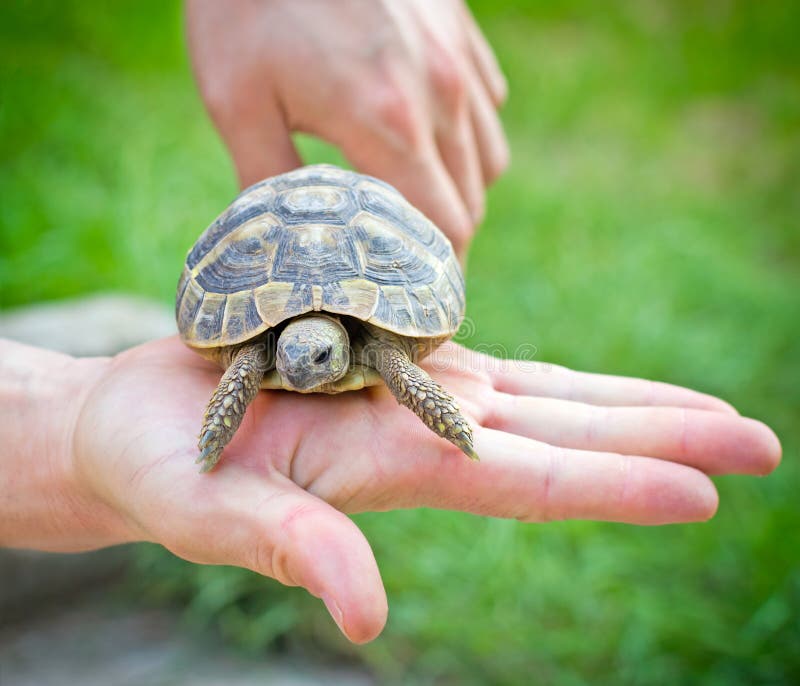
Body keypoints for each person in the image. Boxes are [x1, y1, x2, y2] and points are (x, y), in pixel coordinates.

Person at [0, 0, 781, 645]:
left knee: (399, 373)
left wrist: (446, 420)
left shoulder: (377, 351)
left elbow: (404, 375)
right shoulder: (259, 354)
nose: (300, 367)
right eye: (293, 357)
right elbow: (251, 367)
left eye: (313, 358)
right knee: (255, 367)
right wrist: (183, 440)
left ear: (342, 346)